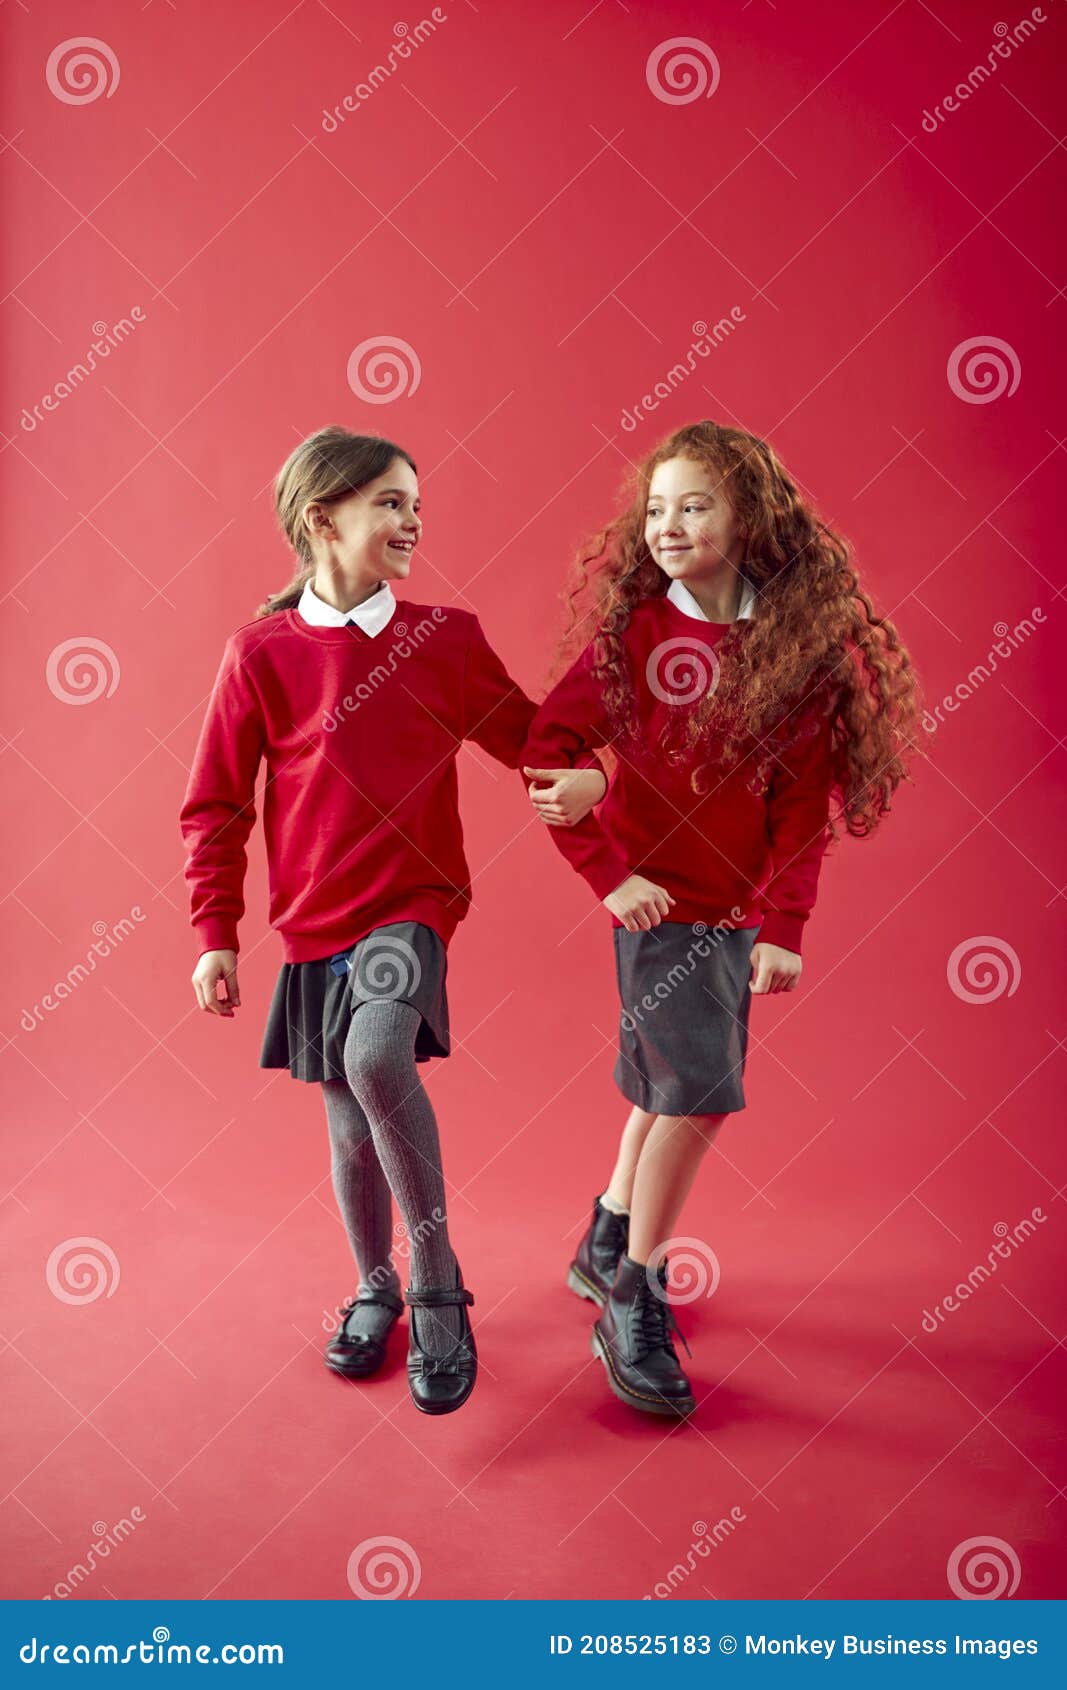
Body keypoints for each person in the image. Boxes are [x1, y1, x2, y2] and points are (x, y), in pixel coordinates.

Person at [179, 427, 605, 1415]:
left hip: (410, 906)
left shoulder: (443, 638)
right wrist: (213, 935)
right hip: (308, 921)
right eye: (390, 502)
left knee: (375, 1059)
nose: (412, 520)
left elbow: (530, 739)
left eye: (417, 503)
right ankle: (375, 1287)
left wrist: (592, 769)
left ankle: (437, 1285)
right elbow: (215, 805)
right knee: (347, 1127)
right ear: (321, 517)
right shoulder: (259, 656)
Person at [522, 419, 922, 1417]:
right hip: (657, 912)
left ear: (748, 516)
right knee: (695, 1096)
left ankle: (605, 1236)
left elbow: (798, 803)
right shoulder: (632, 640)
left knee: (668, 1089)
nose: (665, 524)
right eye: (654, 508)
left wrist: (782, 925)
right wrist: (608, 873)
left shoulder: (793, 653)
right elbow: (549, 747)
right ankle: (634, 1289)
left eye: (690, 504)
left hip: (734, 915)